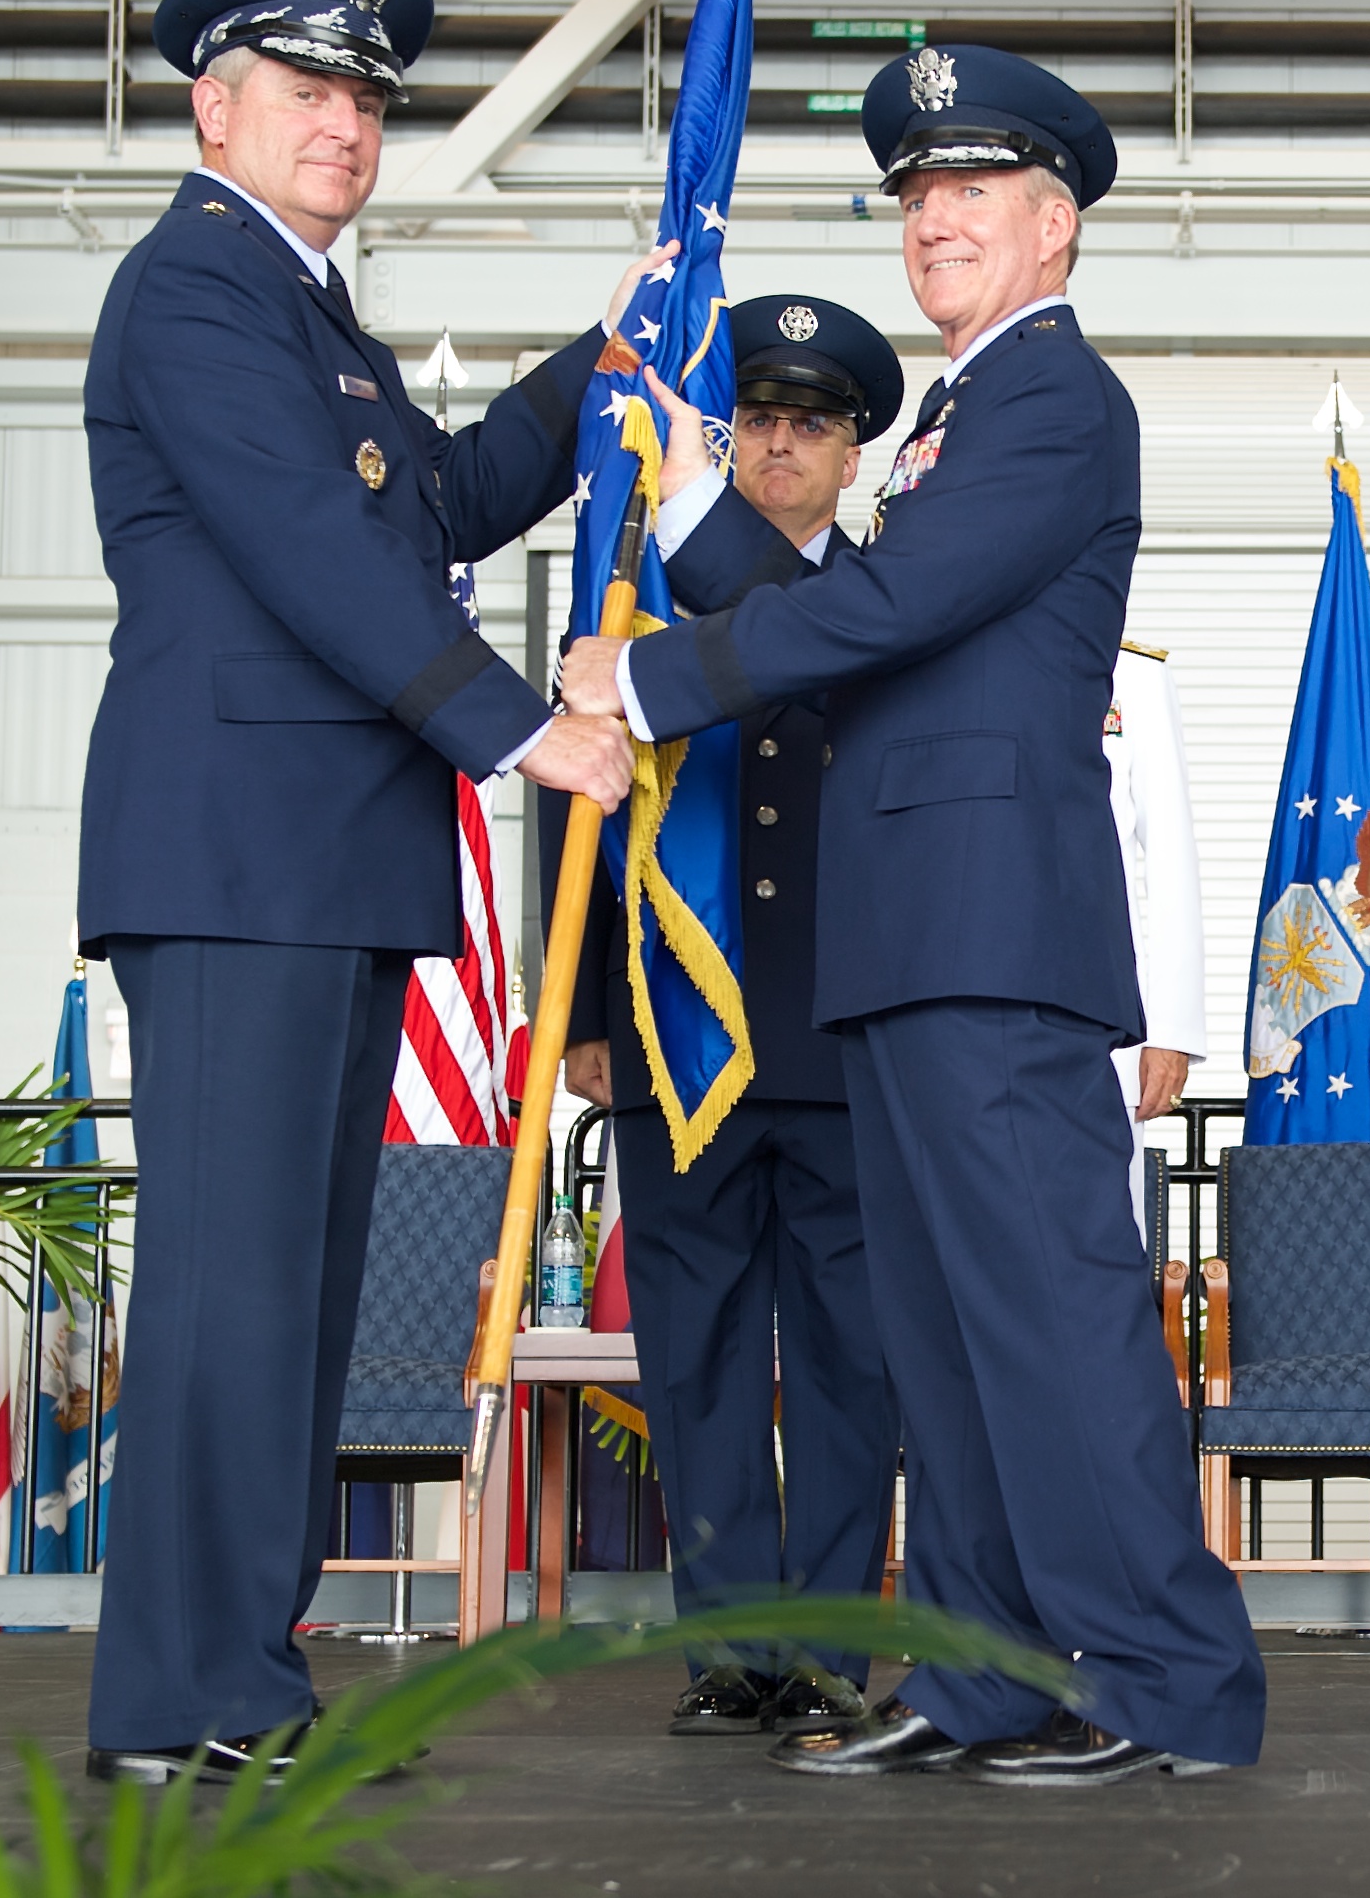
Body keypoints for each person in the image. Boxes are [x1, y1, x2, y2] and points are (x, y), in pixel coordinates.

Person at [560, 45, 1266, 1785]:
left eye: (968, 193)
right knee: (943, 1344)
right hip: (905, 944)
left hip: (989, 939)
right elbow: (859, 601)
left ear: (1053, 231)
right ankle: (978, 1673)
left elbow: (883, 607)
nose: (930, 217)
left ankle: (1173, 1679)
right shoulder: (953, 414)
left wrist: (651, 677)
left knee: (1042, 1312)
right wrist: (667, 481)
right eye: (912, 197)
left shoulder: (1047, 401)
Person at [78, 0, 648, 1785]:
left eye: (366, 100)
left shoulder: (302, 307)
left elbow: (440, 508)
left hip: (318, 863)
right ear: (212, 107)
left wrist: (610, 359)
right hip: (239, 859)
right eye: (309, 91)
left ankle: (242, 1677)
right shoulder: (192, 292)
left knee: (297, 1304)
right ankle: (177, 1699)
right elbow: (317, 564)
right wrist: (518, 729)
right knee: (230, 1297)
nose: (343, 122)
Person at [551, 297, 905, 1737]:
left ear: (850, 455)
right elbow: (573, 809)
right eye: (753, 418)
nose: (776, 442)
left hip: (836, 1040)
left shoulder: (891, 602)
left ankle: (822, 1653)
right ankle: (729, 1650)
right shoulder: (632, 601)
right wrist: (577, 1006)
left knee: (842, 1359)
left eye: (807, 423)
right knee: (693, 1354)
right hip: (669, 1036)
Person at [1105, 640, 1206, 1241]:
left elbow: (1171, 859)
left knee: (1104, 1238)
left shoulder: (1131, 675)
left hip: (1103, 1027)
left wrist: (1167, 1031)